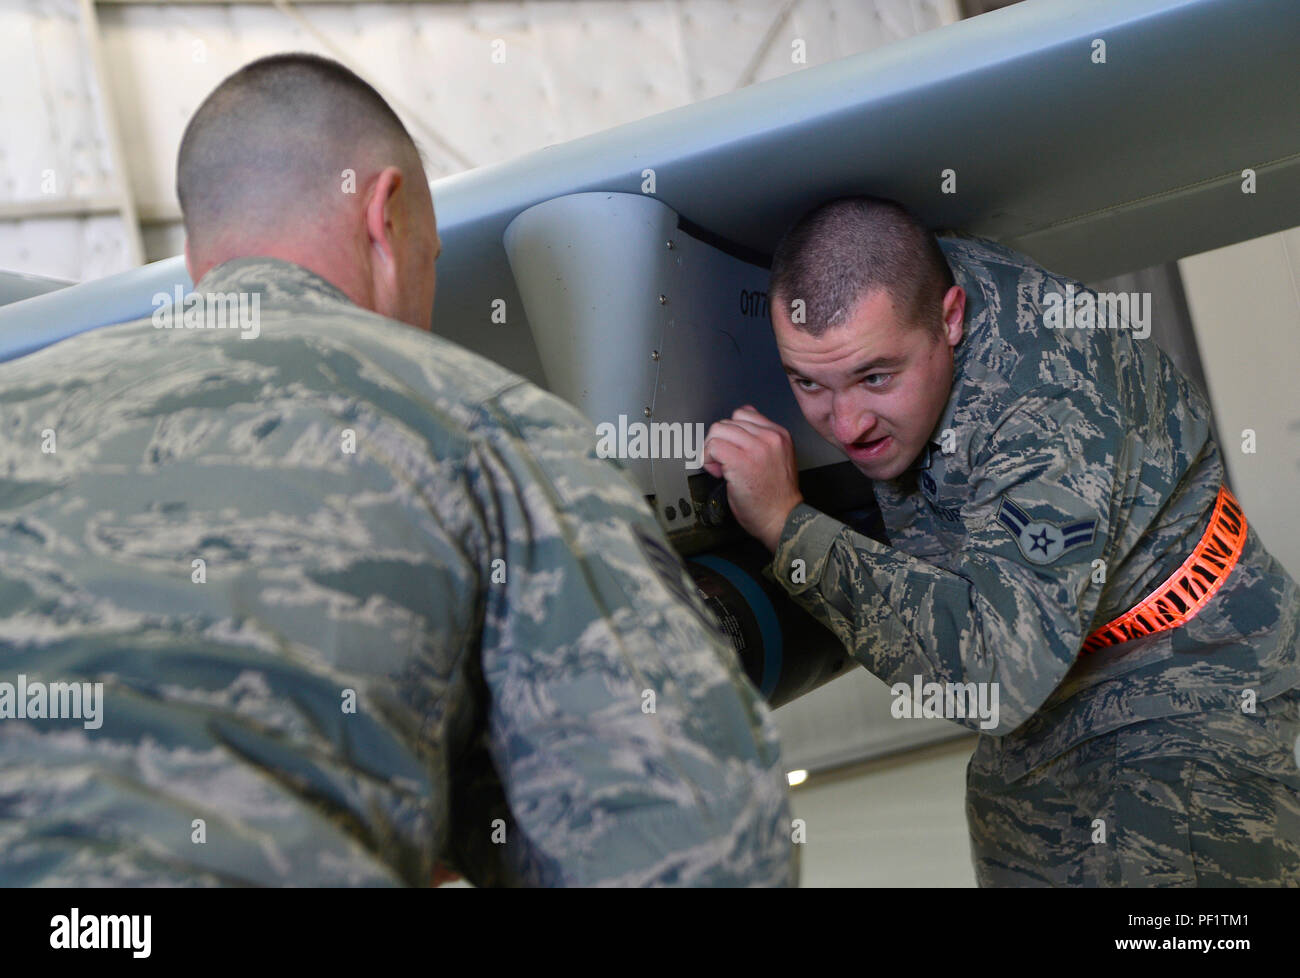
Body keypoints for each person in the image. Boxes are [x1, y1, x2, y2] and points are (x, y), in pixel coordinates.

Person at [0, 53, 795, 888]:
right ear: (386, 217)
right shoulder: (492, 430)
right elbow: (705, 848)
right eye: (432, 257)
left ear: (202, 259)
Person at [702, 195, 1300, 886]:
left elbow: (996, 676)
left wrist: (787, 526)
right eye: (808, 382)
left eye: (875, 377)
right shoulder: (910, 300)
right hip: (1059, 668)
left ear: (950, 318)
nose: (845, 423)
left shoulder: (1046, 404)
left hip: (1190, 669)